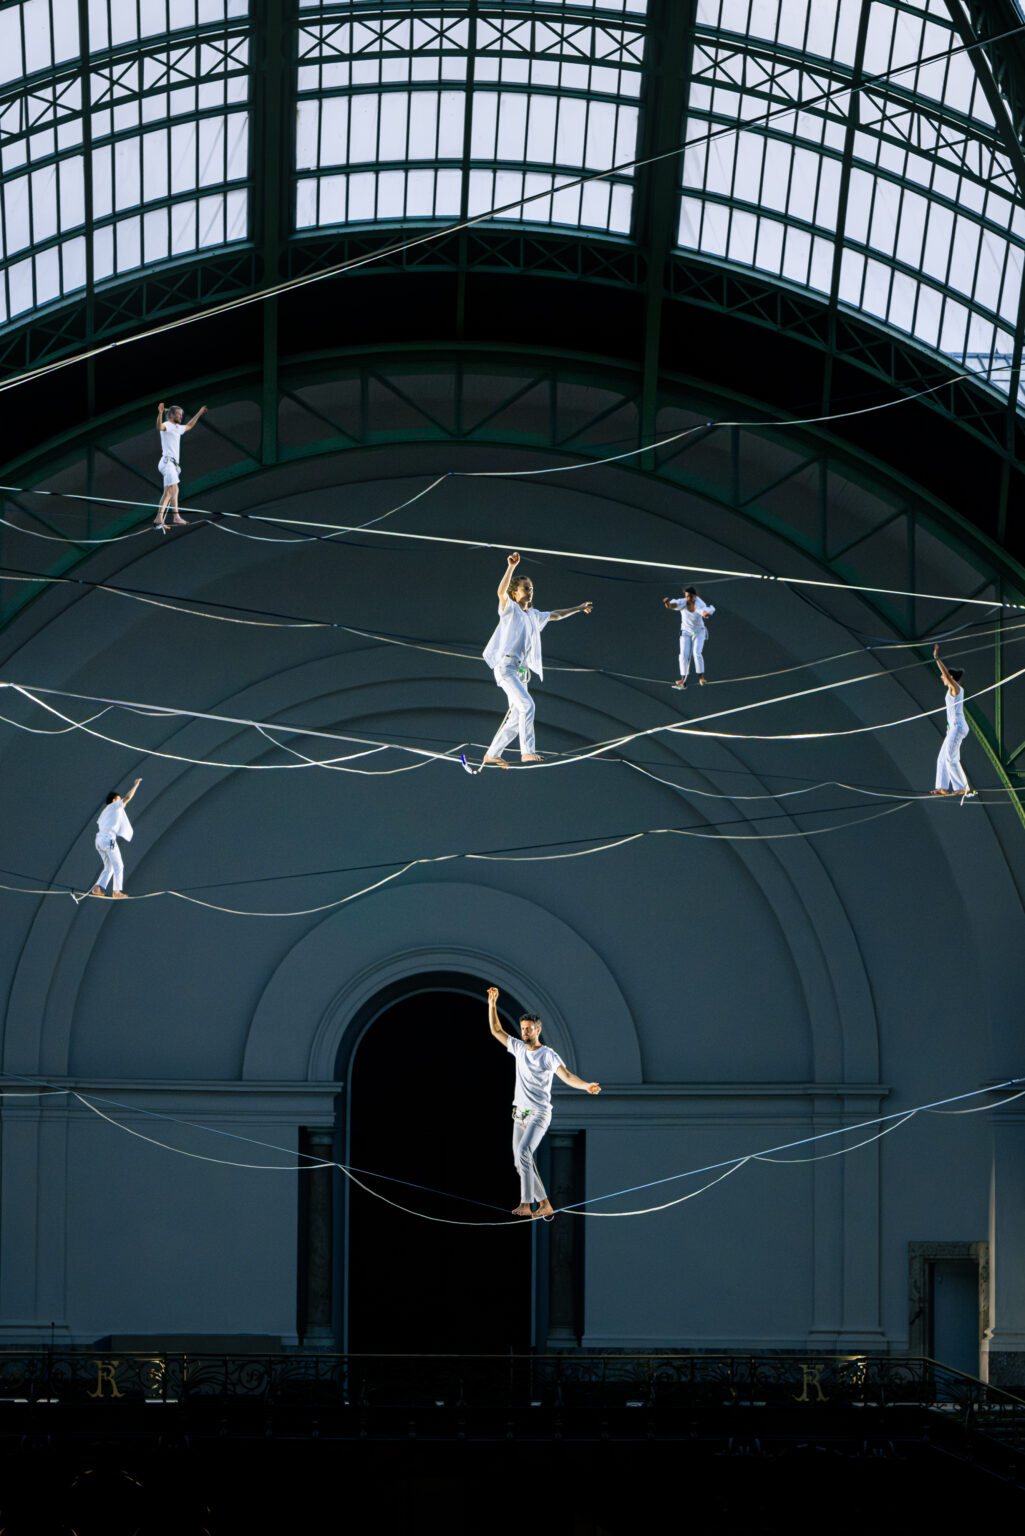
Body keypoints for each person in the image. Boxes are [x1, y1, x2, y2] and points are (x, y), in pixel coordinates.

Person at [487, 985, 600, 1218]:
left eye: (529, 1029)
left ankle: (527, 1204)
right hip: (519, 1115)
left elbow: (566, 1075)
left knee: (525, 1152)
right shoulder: (518, 1048)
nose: (525, 1032)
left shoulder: (547, 1054)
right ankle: (545, 1204)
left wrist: (585, 1085)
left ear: (538, 1030)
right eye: (523, 1029)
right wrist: (492, 1004)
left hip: (539, 1114)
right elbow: (497, 1030)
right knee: (520, 1163)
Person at [481, 553, 593, 766]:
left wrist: (578, 608)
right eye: (525, 587)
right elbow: (500, 592)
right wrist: (511, 567)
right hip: (506, 667)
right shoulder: (510, 609)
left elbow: (556, 615)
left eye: (531, 588)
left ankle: (492, 753)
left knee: (516, 716)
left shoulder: (533, 615)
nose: (530, 590)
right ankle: (527, 751)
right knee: (527, 706)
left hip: (521, 670)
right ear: (516, 593)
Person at [153, 401, 207, 530]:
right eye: (178, 414)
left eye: (181, 414)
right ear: (171, 415)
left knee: (168, 493)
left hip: (173, 465)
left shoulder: (178, 428)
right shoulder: (167, 425)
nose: (180, 417)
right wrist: (160, 414)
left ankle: (158, 519)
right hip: (167, 462)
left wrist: (199, 412)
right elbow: (159, 427)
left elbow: (189, 426)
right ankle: (176, 517)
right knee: (175, 489)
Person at [931, 643, 974, 797]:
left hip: (958, 726)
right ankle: (942, 787)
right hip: (952, 729)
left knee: (951, 757)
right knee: (942, 758)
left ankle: (963, 786)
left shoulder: (957, 689)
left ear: (952, 678)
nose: (941, 677)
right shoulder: (950, 691)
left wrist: (937, 658)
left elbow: (947, 676)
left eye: (944, 676)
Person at [90, 778, 142, 898]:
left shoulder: (105, 812)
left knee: (109, 867)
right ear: (114, 800)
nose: (121, 802)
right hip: (108, 839)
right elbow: (128, 798)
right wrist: (135, 786)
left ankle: (98, 888)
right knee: (119, 865)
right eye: (119, 799)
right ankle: (116, 891)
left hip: (99, 840)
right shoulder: (114, 806)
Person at [664, 587, 715, 688]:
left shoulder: (699, 604)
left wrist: (706, 614)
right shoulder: (683, 602)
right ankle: (682, 680)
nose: (688, 598)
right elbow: (672, 605)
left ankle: (701, 677)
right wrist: (667, 603)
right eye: (686, 596)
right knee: (683, 654)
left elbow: (704, 611)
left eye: (690, 596)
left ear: (695, 596)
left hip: (699, 631)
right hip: (686, 632)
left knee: (696, 652)